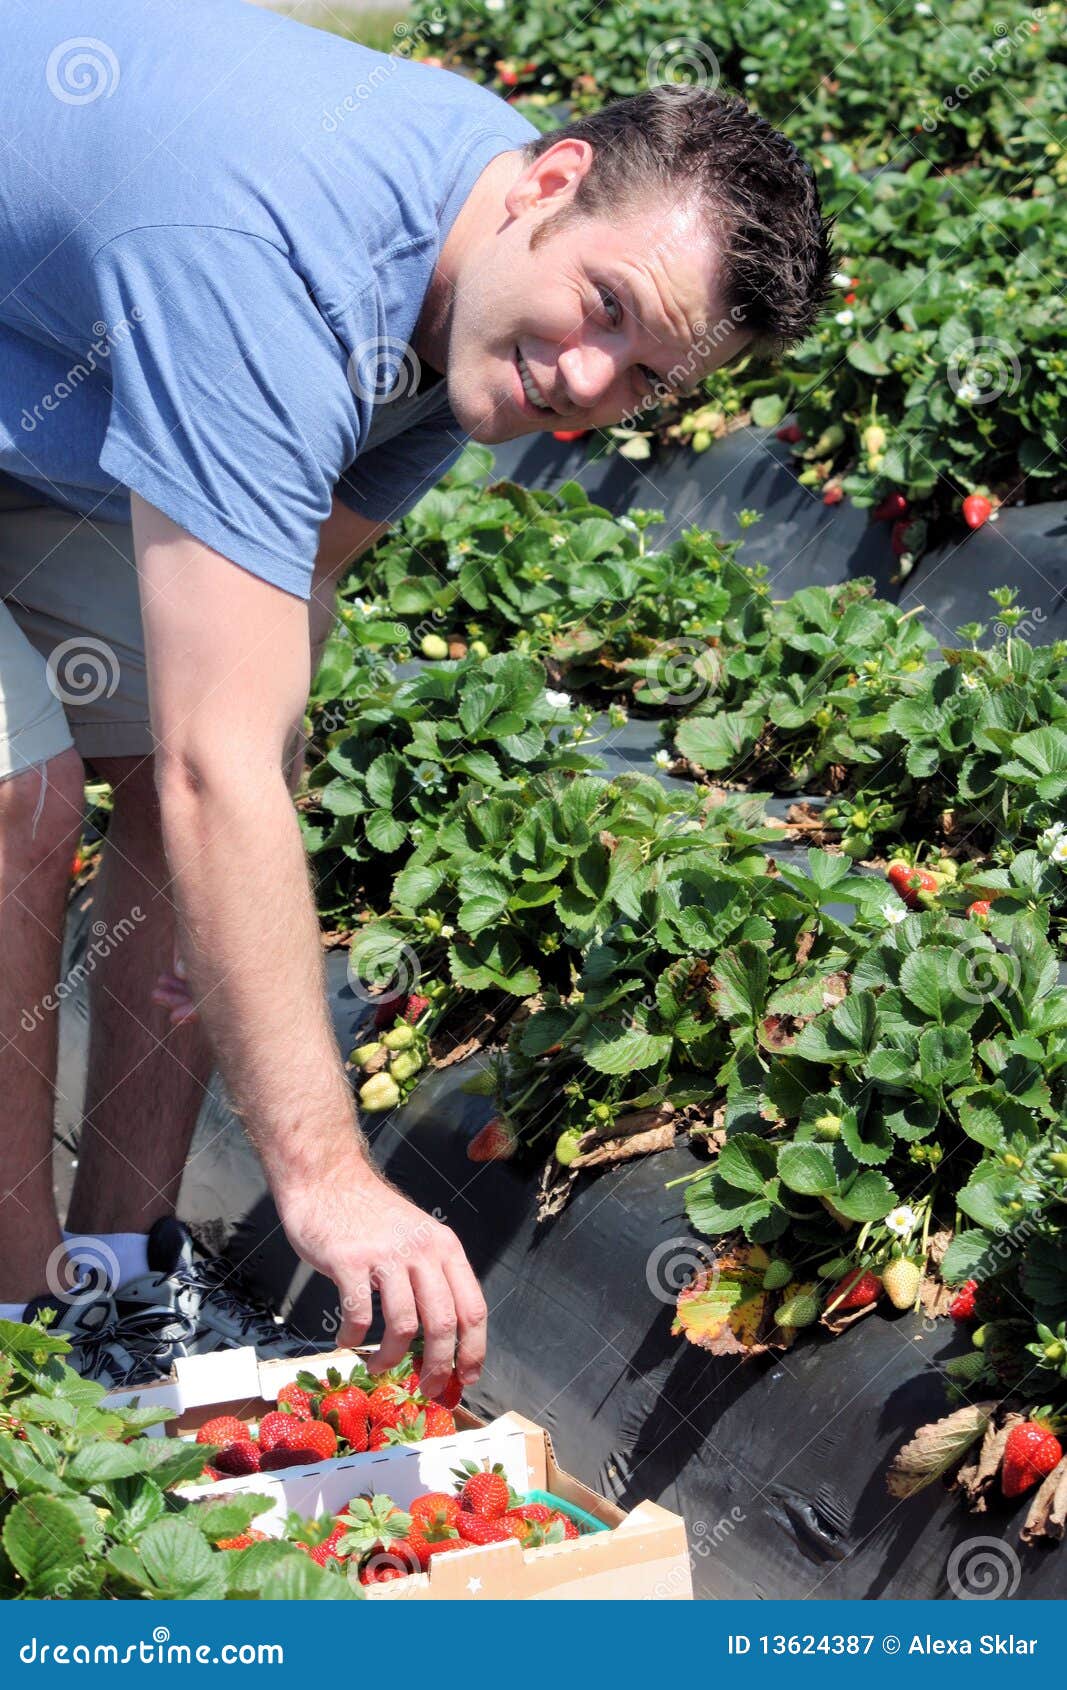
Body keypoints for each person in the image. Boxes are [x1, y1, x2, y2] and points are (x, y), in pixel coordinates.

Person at [0, 0, 832, 1393]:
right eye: (604, 313)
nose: (584, 384)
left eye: (645, 377)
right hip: (103, 329)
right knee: (24, 802)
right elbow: (222, 775)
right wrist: (321, 1172)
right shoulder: (269, 250)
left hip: (40, 392)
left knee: (199, 748)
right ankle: (20, 1323)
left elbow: (245, 699)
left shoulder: (489, 273)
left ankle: (122, 1277)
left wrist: (222, 771)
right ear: (554, 180)